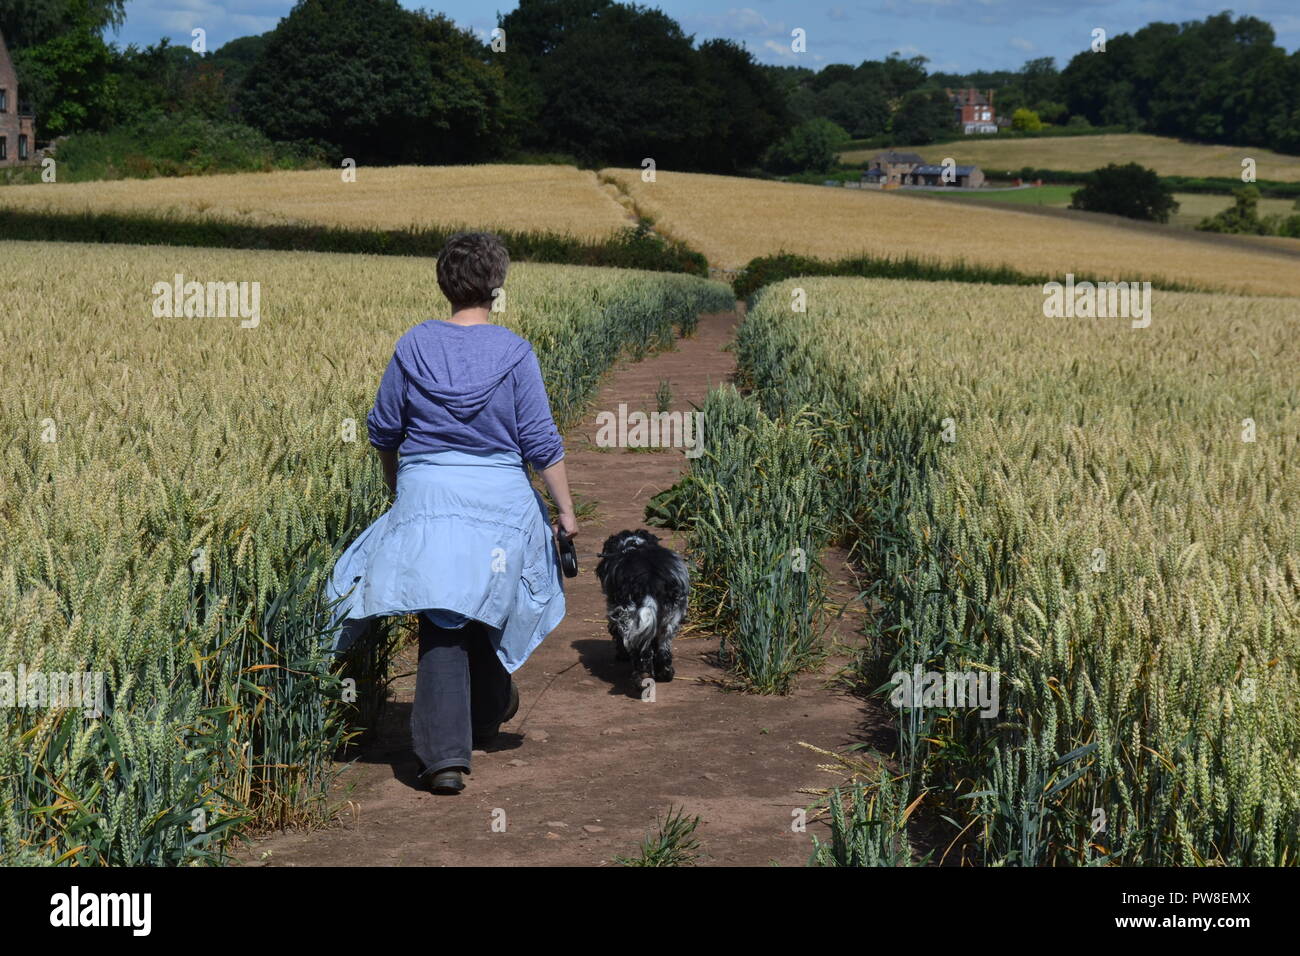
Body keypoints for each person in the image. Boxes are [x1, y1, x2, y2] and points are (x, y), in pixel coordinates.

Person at [326, 232, 578, 794]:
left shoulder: (413, 346)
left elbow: (384, 429)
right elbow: (539, 440)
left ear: (444, 284)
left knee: (442, 610)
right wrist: (566, 511)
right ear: (497, 286)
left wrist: (402, 489)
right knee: (486, 600)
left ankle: (446, 756)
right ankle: (483, 713)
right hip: (500, 498)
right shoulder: (514, 352)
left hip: (428, 490)